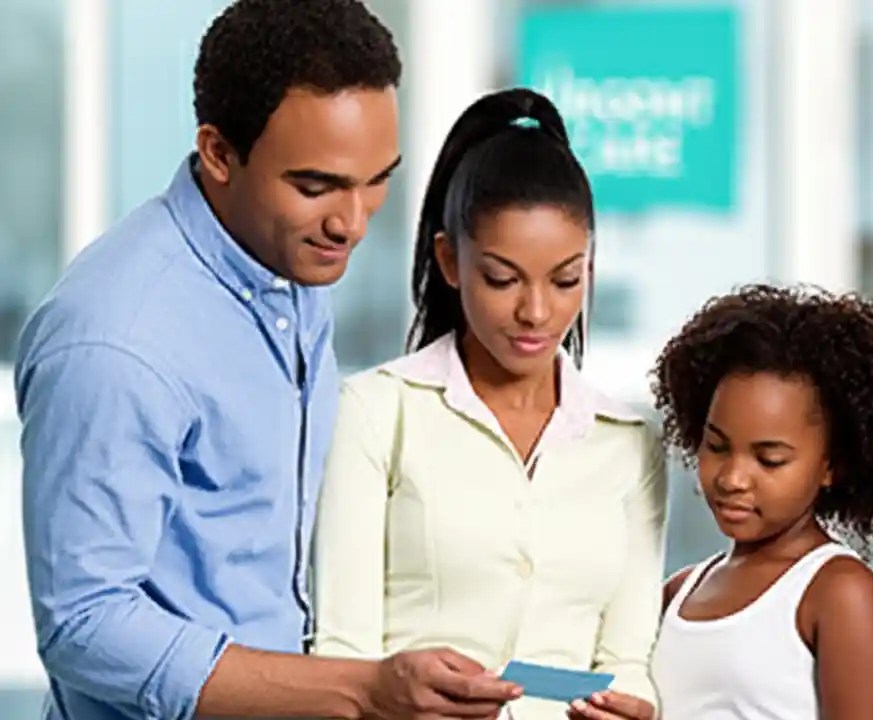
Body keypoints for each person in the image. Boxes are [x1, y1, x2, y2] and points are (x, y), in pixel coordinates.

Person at [14, 1, 521, 718]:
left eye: (376, 179)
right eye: (316, 187)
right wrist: (361, 690)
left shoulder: (285, 263)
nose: (352, 222)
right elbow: (84, 622)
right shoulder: (117, 342)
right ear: (220, 153)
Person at [310, 87, 669, 720]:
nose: (536, 312)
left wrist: (635, 708)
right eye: (501, 279)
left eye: (565, 280)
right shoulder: (377, 413)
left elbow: (630, 660)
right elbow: (343, 657)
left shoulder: (628, 439)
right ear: (450, 260)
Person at [633, 284, 873, 719]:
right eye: (717, 446)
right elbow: (594, 681)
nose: (732, 478)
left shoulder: (836, 593)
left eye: (770, 460)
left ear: (831, 466)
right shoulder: (678, 592)